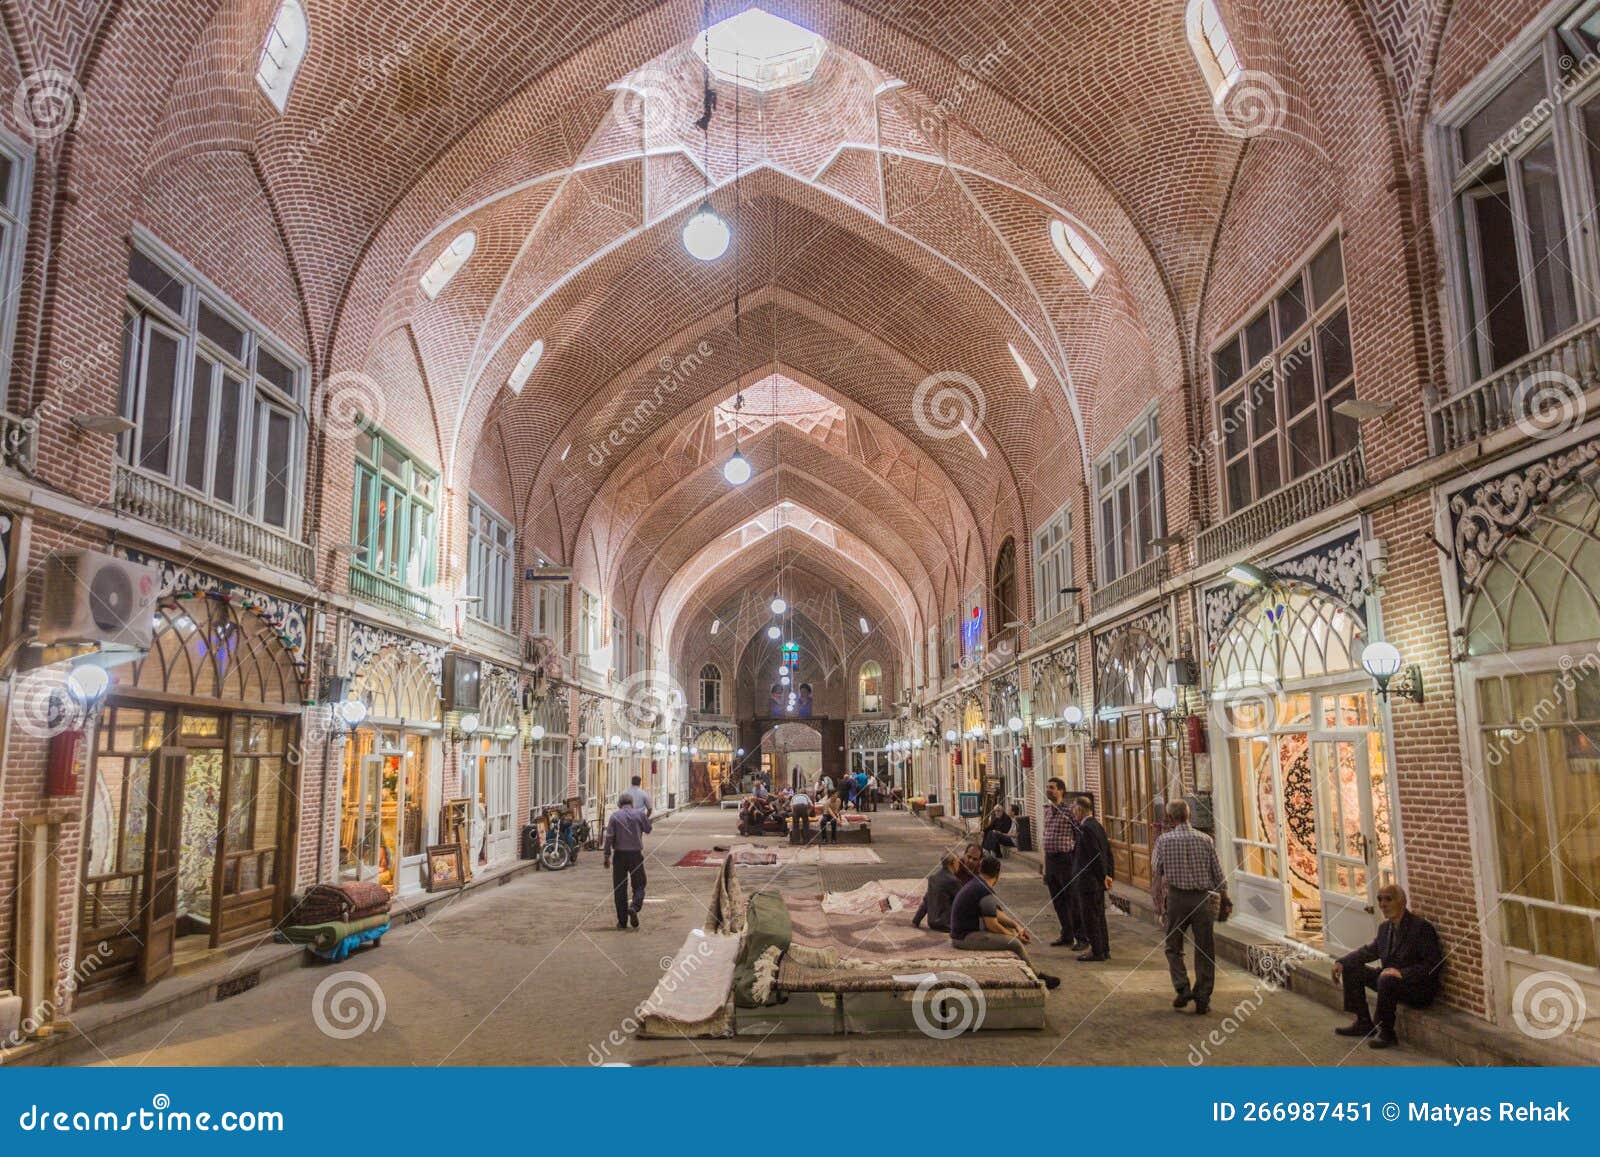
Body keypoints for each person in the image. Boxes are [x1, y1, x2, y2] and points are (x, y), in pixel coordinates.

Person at [1331, 883, 1443, 1049]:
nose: (1383, 904)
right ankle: (1363, 1022)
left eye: (1388, 899)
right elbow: (1369, 951)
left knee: (1387, 979)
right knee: (1352, 967)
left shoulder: (1421, 928)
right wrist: (1342, 962)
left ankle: (1387, 1033)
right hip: (1389, 981)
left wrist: (1403, 973)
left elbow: (1433, 964)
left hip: (1416, 987)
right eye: (1380, 900)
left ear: (1402, 902)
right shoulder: (1385, 928)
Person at [1152, 799, 1227, 1015]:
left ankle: (1182, 988)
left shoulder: (1163, 841)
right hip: (1202, 899)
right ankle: (1203, 996)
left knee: (1173, 946)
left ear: (1170, 818)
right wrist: (1225, 897)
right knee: (1205, 948)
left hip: (1177, 899)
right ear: (1189, 815)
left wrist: (1157, 901)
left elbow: (1157, 870)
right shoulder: (1205, 840)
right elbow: (1218, 873)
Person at [949, 853, 1061, 989]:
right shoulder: (984, 890)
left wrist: (1016, 926)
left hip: (963, 933)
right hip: (964, 938)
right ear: (998, 874)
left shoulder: (977, 883)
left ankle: (1030, 970)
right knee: (1015, 944)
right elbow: (992, 925)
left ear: (980, 869)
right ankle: (1036, 976)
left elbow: (994, 913)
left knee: (1010, 932)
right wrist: (1014, 936)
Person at [1041, 777, 1085, 950]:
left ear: (1061, 790)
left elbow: (1080, 834)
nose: (1048, 790)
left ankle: (1081, 937)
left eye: (1052, 787)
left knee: (1072, 899)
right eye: (1047, 787)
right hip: (1051, 859)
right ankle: (1066, 934)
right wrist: (1045, 867)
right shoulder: (1047, 810)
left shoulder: (1070, 811)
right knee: (1058, 900)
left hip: (1066, 860)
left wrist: (1077, 859)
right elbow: (1045, 836)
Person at [1071, 795, 1113, 961]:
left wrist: (1103, 876)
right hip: (1097, 880)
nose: (1073, 812)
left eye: (1074, 809)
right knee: (1099, 916)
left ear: (1080, 809)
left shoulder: (1086, 828)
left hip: (1088, 881)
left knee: (1090, 917)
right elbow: (1107, 852)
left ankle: (1096, 951)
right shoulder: (1097, 825)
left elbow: (1096, 855)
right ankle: (1104, 948)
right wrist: (1108, 874)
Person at [602, 792, 652, 930]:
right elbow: (648, 829)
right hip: (635, 855)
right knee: (639, 884)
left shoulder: (614, 816)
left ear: (619, 804)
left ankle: (622, 921)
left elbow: (609, 837)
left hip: (619, 856)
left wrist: (606, 856)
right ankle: (634, 907)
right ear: (632, 803)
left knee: (620, 888)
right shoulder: (639, 814)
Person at [912, 853, 964, 932]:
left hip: (932, 923)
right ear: (953, 862)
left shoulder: (933, 878)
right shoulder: (953, 881)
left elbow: (926, 901)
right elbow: (964, 901)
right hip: (946, 924)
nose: (959, 864)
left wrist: (916, 920)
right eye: (958, 862)